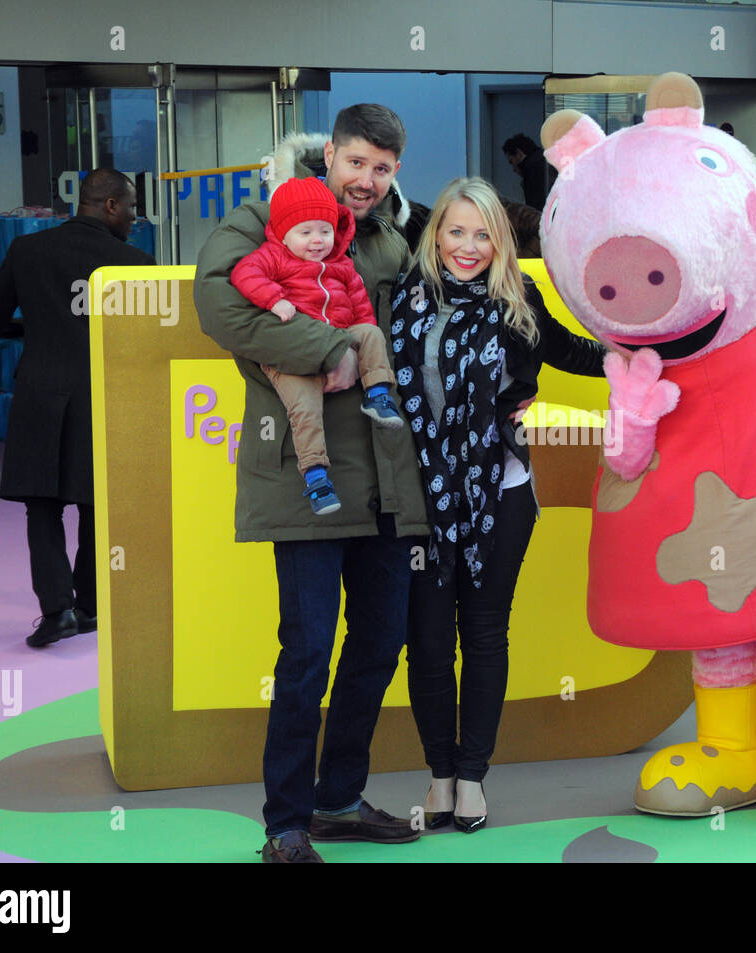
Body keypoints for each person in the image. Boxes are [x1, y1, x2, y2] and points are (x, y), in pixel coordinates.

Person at [194, 104, 429, 863]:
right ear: (329, 153)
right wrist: (334, 349)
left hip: (388, 475)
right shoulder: (259, 219)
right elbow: (219, 303)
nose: (367, 180)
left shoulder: (395, 235)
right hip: (308, 475)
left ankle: (338, 798)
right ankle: (285, 822)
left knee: (380, 641)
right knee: (306, 652)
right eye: (356, 162)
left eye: (383, 168)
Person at [393, 177, 606, 833]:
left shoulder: (518, 299)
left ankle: (474, 779)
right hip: (422, 502)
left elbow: (575, 353)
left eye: (483, 234)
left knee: (484, 634)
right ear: (436, 235)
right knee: (428, 642)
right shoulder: (403, 302)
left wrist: (651, 348)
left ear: (501, 241)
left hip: (502, 494)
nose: (468, 246)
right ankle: (440, 776)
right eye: (456, 231)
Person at [0, 169, 153, 647]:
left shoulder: (27, 252)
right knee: (97, 506)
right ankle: (91, 606)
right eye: (133, 208)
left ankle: (57, 609)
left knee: (42, 506)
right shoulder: (135, 262)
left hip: (40, 395)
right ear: (113, 206)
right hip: (104, 400)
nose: (136, 218)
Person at [230, 176, 403, 516]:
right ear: (283, 234)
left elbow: (361, 307)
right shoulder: (274, 257)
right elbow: (244, 274)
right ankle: (316, 475)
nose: (317, 241)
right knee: (305, 411)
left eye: (324, 231)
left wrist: (362, 343)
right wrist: (274, 299)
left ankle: (378, 394)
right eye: (305, 232)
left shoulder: (340, 264)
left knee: (372, 333)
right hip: (292, 356)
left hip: (339, 338)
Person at [501, 133, 556, 211]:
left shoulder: (533, 174)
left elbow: (536, 212)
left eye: (511, 162)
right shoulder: (549, 164)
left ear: (519, 154)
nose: (513, 169)